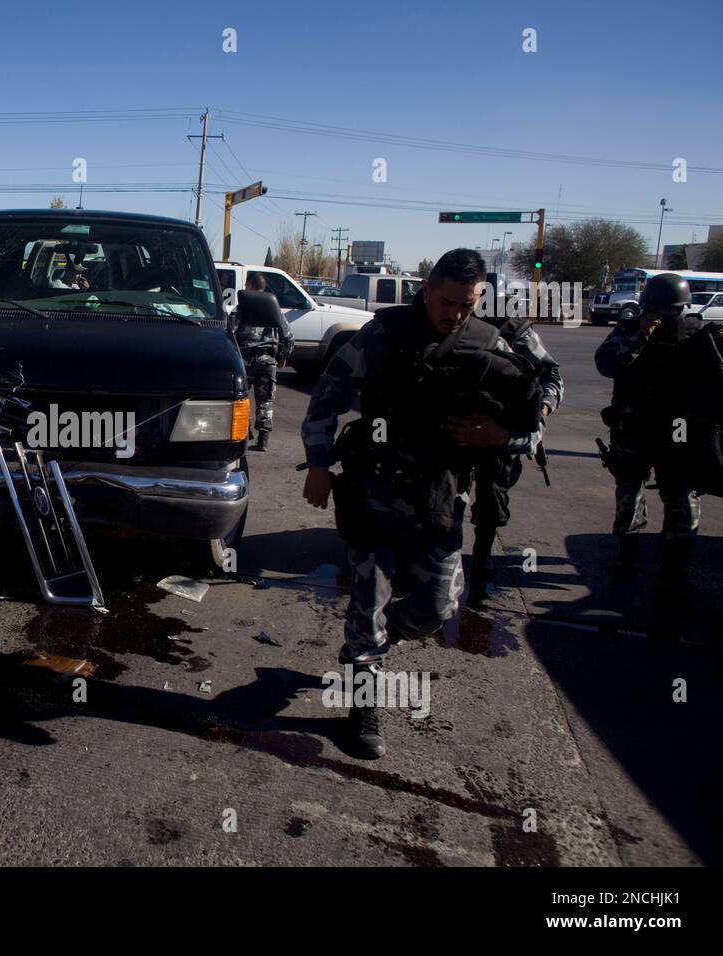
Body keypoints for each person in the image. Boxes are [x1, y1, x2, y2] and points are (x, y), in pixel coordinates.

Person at [300, 249, 542, 759]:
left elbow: (536, 406)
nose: (455, 313)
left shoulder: (488, 344)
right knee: (369, 601)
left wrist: (502, 435)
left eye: (467, 304)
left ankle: (375, 643)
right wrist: (319, 464)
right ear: (427, 288)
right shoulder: (383, 336)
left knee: (436, 608)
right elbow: (328, 395)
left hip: (440, 494)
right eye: (447, 301)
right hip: (375, 488)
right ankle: (364, 702)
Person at [594, 272, 723, 589]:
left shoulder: (699, 334)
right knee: (630, 491)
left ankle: (674, 564)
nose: (665, 318)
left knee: (681, 494)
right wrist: (639, 337)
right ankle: (628, 556)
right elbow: (607, 363)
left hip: (678, 431)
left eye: (671, 311)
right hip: (635, 428)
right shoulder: (630, 331)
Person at [469, 309, 564, 597]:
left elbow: (552, 377)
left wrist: (539, 412)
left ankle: (481, 559)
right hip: (455, 427)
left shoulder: (514, 333)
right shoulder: (446, 321)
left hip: (501, 433)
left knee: (492, 496)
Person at [234, 273, 293, 451]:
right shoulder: (274, 307)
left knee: (241, 397)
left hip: (246, 359)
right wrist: (283, 355)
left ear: (250, 285)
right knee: (265, 400)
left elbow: (230, 331)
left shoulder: (242, 306)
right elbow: (288, 336)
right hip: (268, 360)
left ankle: (244, 434)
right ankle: (263, 439)